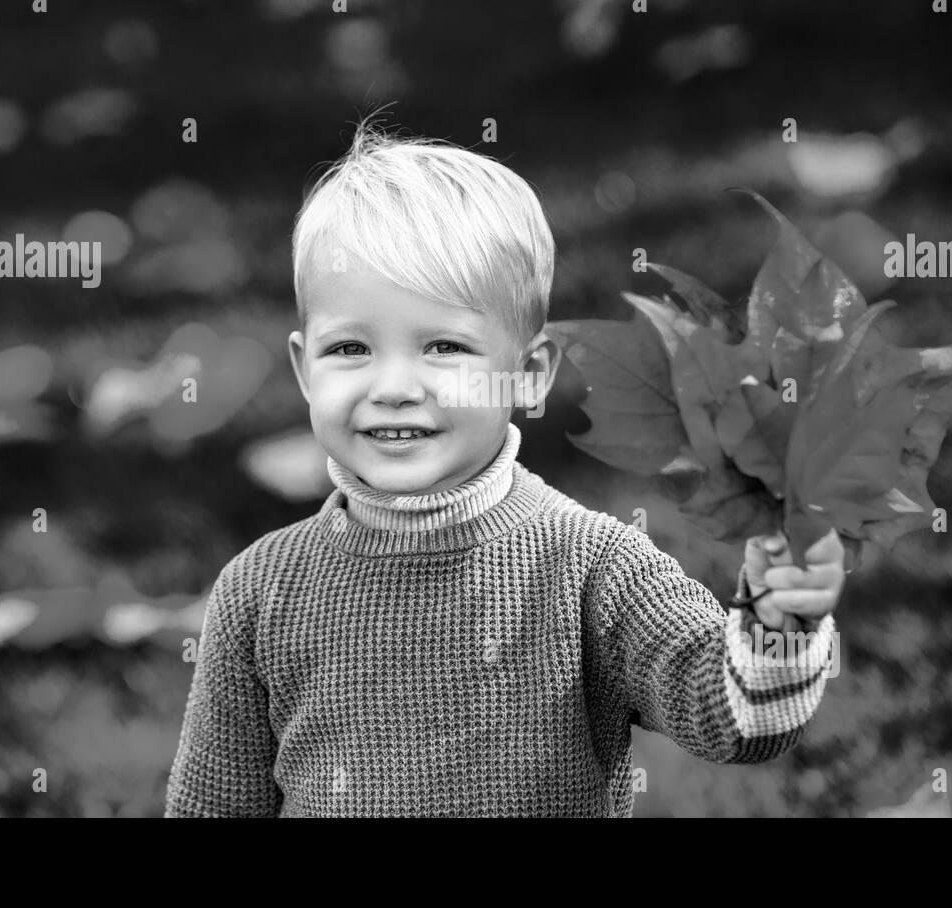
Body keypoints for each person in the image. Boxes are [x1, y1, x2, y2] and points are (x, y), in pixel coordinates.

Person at [165, 120, 846, 817]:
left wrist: (777, 623)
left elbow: (731, 722)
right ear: (303, 370)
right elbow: (213, 807)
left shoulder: (591, 567)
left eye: (443, 346)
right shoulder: (259, 592)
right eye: (350, 350)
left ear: (528, 375)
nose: (393, 385)